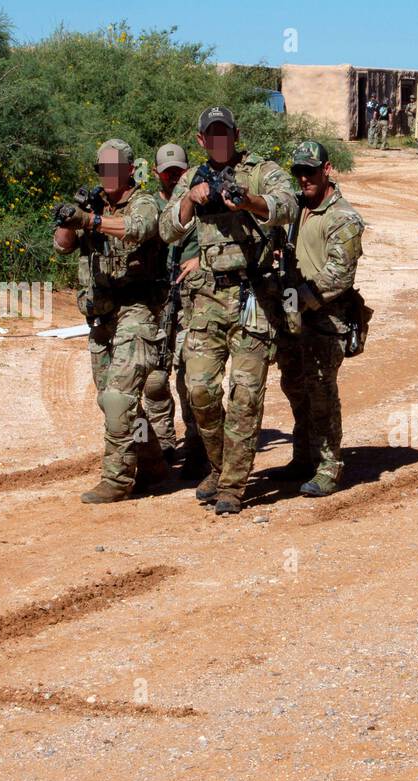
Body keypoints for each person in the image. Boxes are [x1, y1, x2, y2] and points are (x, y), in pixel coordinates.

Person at [159, 106, 298, 515]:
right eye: (210, 135)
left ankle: (234, 486)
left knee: (245, 394)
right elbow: (168, 230)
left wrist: (248, 202)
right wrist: (189, 199)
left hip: (253, 294)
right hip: (207, 300)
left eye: (225, 133)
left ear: (235, 135)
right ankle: (221, 467)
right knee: (199, 388)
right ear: (201, 141)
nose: (218, 141)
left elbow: (286, 205)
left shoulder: (261, 170)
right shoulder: (192, 177)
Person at [53, 139, 169, 504]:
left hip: (137, 312)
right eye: (102, 169)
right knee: (112, 401)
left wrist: (91, 220)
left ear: (131, 170)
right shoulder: (94, 207)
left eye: (115, 168)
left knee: (119, 399)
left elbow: (137, 228)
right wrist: (71, 220)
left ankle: (117, 478)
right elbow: (61, 246)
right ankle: (152, 464)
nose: (108, 176)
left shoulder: (145, 203)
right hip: (101, 316)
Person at [274, 140, 365, 496]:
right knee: (295, 387)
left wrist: (300, 299)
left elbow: (340, 275)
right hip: (294, 318)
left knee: (321, 391)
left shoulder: (343, 217)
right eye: (298, 172)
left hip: (327, 321)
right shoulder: (296, 209)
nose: (303, 178)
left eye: (309, 171)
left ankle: (329, 465)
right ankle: (304, 455)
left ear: (326, 170)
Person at [145, 142, 204, 474]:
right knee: (154, 380)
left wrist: (203, 260)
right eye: (167, 173)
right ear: (156, 174)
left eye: (179, 172)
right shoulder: (147, 206)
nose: (173, 178)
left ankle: (197, 445)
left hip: (192, 303)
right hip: (155, 304)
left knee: (189, 376)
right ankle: (163, 443)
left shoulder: (200, 204)